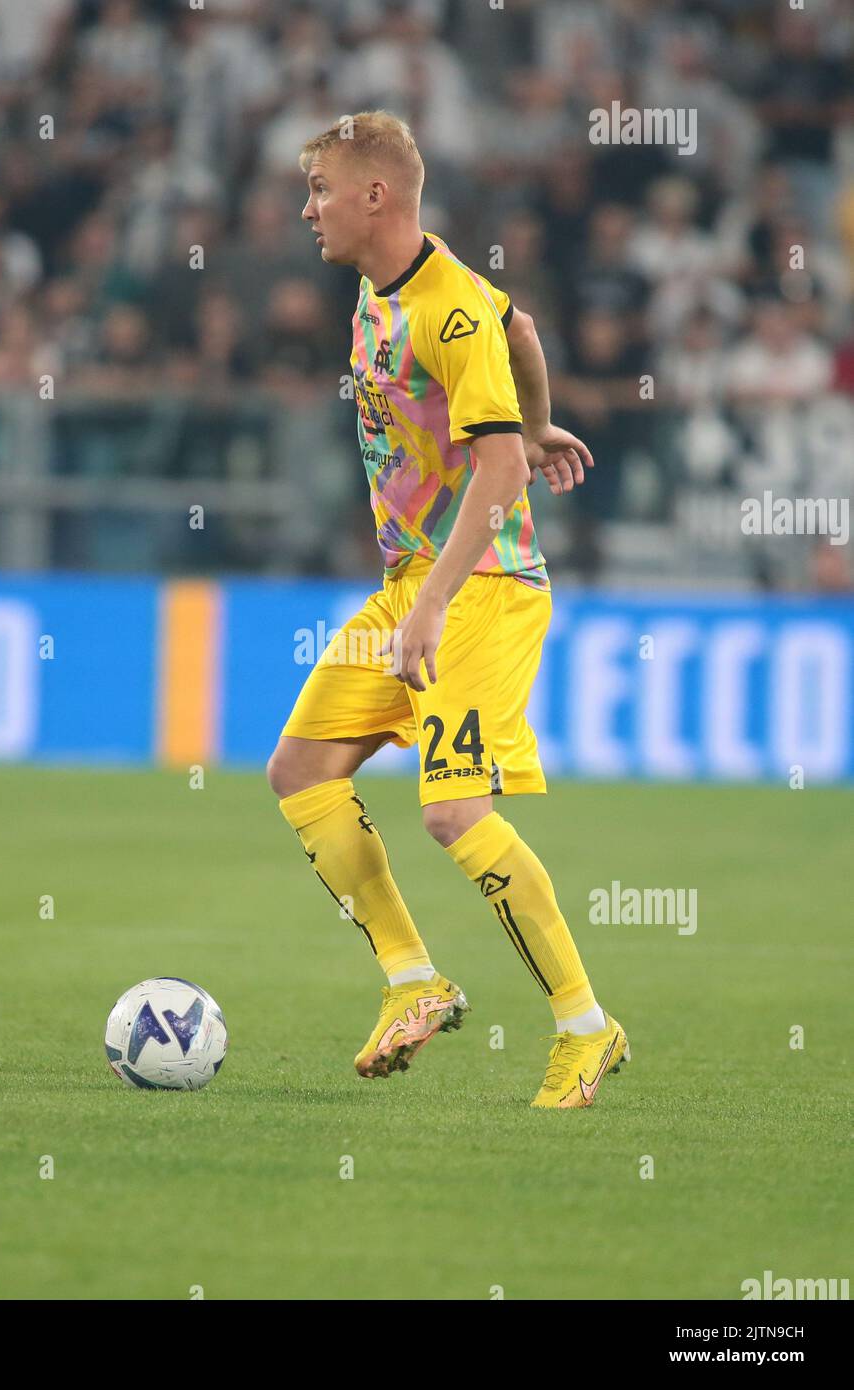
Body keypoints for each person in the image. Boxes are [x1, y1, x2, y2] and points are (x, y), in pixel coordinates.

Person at [266, 111, 629, 1108]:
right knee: (301, 769)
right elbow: (525, 328)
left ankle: (585, 1028)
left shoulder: (448, 309)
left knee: (453, 811)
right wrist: (538, 417)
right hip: (414, 586)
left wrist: (430, 603)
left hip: (479, 588)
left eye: (321, 191)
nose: (308, 210)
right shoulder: (385, 285)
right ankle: (413, 981)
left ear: (375, 195)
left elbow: (500, 471)